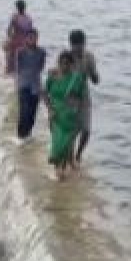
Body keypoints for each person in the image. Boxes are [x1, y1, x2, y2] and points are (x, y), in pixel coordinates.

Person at [44, 51, 86, 179]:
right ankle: (59, 169)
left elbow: (82, 99)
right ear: (58, 63)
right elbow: (45, 94)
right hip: (55, 116)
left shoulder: (76, 79)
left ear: (72, 65)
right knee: (57, 144)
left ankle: (61, 170)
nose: (64, 66)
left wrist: (79, 115)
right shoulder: (52, 76)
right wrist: (50, 109)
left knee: (66, 145)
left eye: (67, 63)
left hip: (70, 117)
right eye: (62, 63)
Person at [67, 29, 99, 165]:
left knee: (86, 130)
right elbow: (60, 77)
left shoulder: (89, 57)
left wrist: (94, 75)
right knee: (72, 132)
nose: (79, 48)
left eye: (81, 45)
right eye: (76, 46)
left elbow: (95, 78)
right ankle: (69, 159)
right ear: (71, 45)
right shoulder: (66, 57)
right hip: (69, 98)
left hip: (84, 97)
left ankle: (78, 155)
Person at [15, 29, 46, 141]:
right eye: (30, 37)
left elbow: (41, 67)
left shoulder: (42, 52)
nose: (32, 40)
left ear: (37, 38)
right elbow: (18, 68)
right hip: (23, 84)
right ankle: (20, 137)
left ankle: (27, 136)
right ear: (26, 39)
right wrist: (18, 84)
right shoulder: (20, 52)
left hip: (35, 85)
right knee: (24, 112)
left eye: (34, 37)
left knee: (32, 114)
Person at [4, 0, 34, 75]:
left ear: (17, 7)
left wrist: (9, 40)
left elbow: (9, 31)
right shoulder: (29, 18)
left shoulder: (15, 17)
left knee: (10, 65)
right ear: (24, 7)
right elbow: (31, 32)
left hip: (15, 42)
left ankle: (8, 79)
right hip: (25, 43)